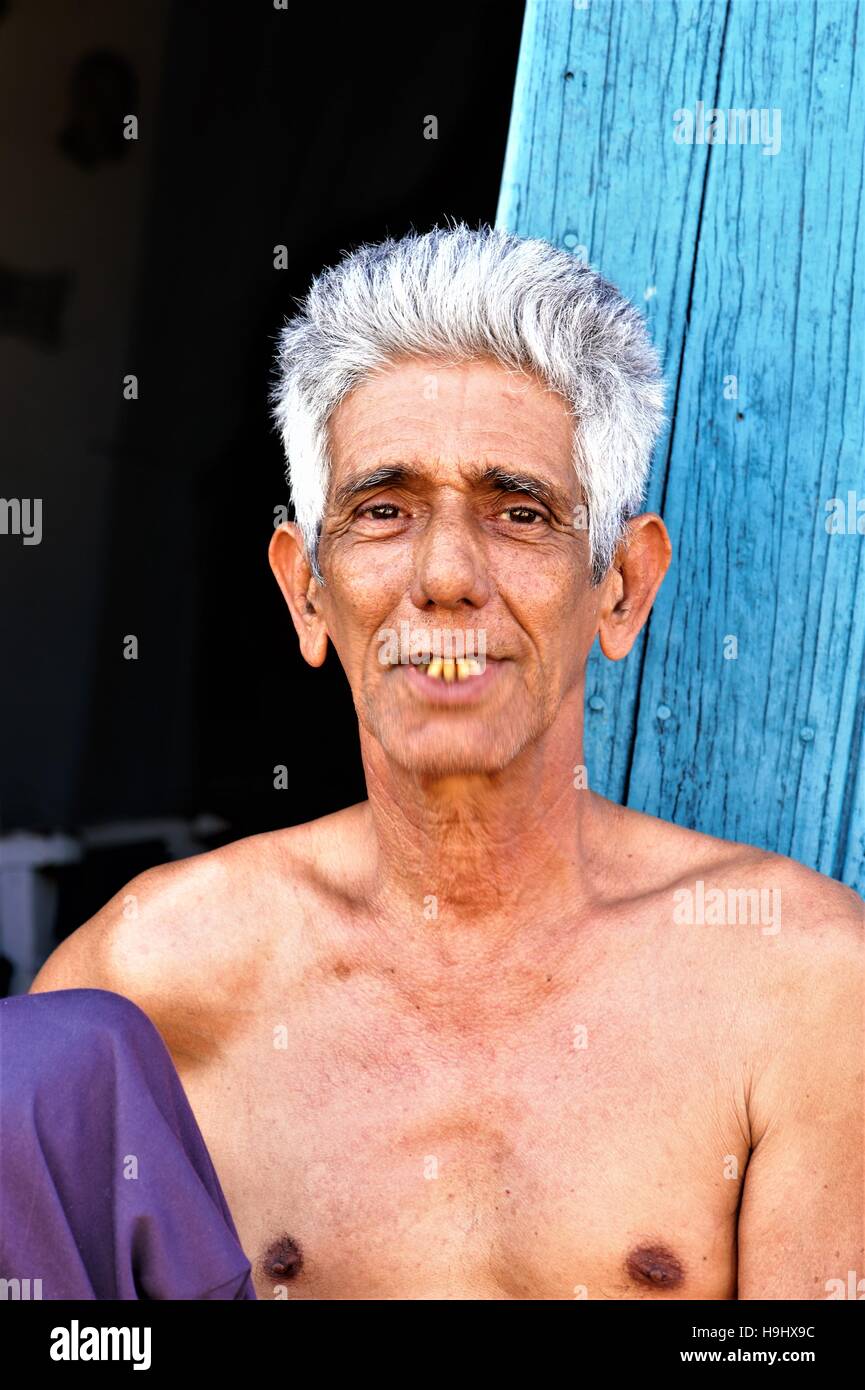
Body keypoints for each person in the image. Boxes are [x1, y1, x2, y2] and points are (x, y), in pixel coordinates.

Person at [26, 224, 864, 1300]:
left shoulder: (803, 987)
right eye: (384, 510)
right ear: (305, 589)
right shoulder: (150, 978)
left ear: (622, 588)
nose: (447, 575)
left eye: (519, 511)